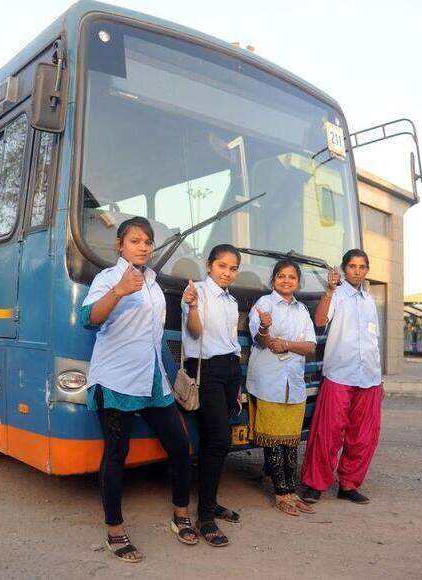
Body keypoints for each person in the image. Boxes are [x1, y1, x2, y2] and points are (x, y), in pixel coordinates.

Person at [79, 217, 195, 563]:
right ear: (120, 245)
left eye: (147, 241)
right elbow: (88, 319)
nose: (143, 246)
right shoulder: (108, 278)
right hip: (116, 380)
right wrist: (118, 292)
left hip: (152, 379)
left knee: (180, 444)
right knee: (117, 453)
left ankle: (180, 512)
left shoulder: (154, 285)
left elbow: (153, 334)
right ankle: (115, 529)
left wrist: (188, 302)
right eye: (135, 240)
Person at [299, 249, 383, 505]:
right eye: (352, 266)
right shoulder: (336, 294)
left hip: (369, 377)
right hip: (340, 374)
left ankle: (349, 484)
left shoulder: (369, 301)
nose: (357, 271)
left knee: (363, 435)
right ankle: (315, 484)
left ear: (366, 270)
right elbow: (320, 319)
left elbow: (373, 341)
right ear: (344, 269)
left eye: (362, 267)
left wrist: (380, 379)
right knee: (328, 432)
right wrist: (328, 291)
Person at [180, 244, 243, 547]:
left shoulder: (231, 301)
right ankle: (205, 517)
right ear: (209, 266)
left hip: (230, 370)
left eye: (232, 268)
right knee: (220, 439)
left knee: (212, 440)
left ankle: (210, 500)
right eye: (222, 266)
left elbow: (231, 340)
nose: (227, 273)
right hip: (207, 370)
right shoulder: (197, 292)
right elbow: (194, 332)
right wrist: (192, 307)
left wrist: (237, 380)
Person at [246, 260, 318, 515]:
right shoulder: (263, 304)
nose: (286, 280)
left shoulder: (302, 311)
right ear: (273, 279)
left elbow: (310, 346)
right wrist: (266, 327)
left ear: (298, 282)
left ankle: (291, 491)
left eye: (291, 277)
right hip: (269, 381)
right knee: (274, 441)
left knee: (290, 441)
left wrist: (286, 343)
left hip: (294, 383)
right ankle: (280, 493)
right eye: (281, 276)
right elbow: (261, 339)